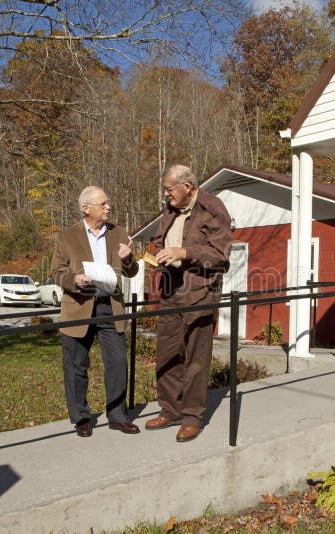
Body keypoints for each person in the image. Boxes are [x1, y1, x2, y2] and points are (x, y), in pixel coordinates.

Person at [146, 164, 232, 442]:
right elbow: (160, 240)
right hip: (171, 290)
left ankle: (192, 417)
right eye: (165, 190)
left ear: (188, 187)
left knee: (196, 358)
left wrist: (184, 252)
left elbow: (220, 254)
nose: (166, 195)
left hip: (200, 293)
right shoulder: (171, 210)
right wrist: (159, 255)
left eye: (169, 190)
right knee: (168, 352)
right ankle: (170, 410)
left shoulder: (212, 207)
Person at [51, 186, 140, 437]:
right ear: (86, 208)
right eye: (104, 204)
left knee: (117, 363)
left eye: (108, 203)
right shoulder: (66, 236)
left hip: (110, 306)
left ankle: (118, 416)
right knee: (76, 366)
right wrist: (73, 280)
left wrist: (128, 259)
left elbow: (131, 272)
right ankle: (81, 418)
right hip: (78, 306)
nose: (108, 207)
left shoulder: (119, 233)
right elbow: (56, 271)